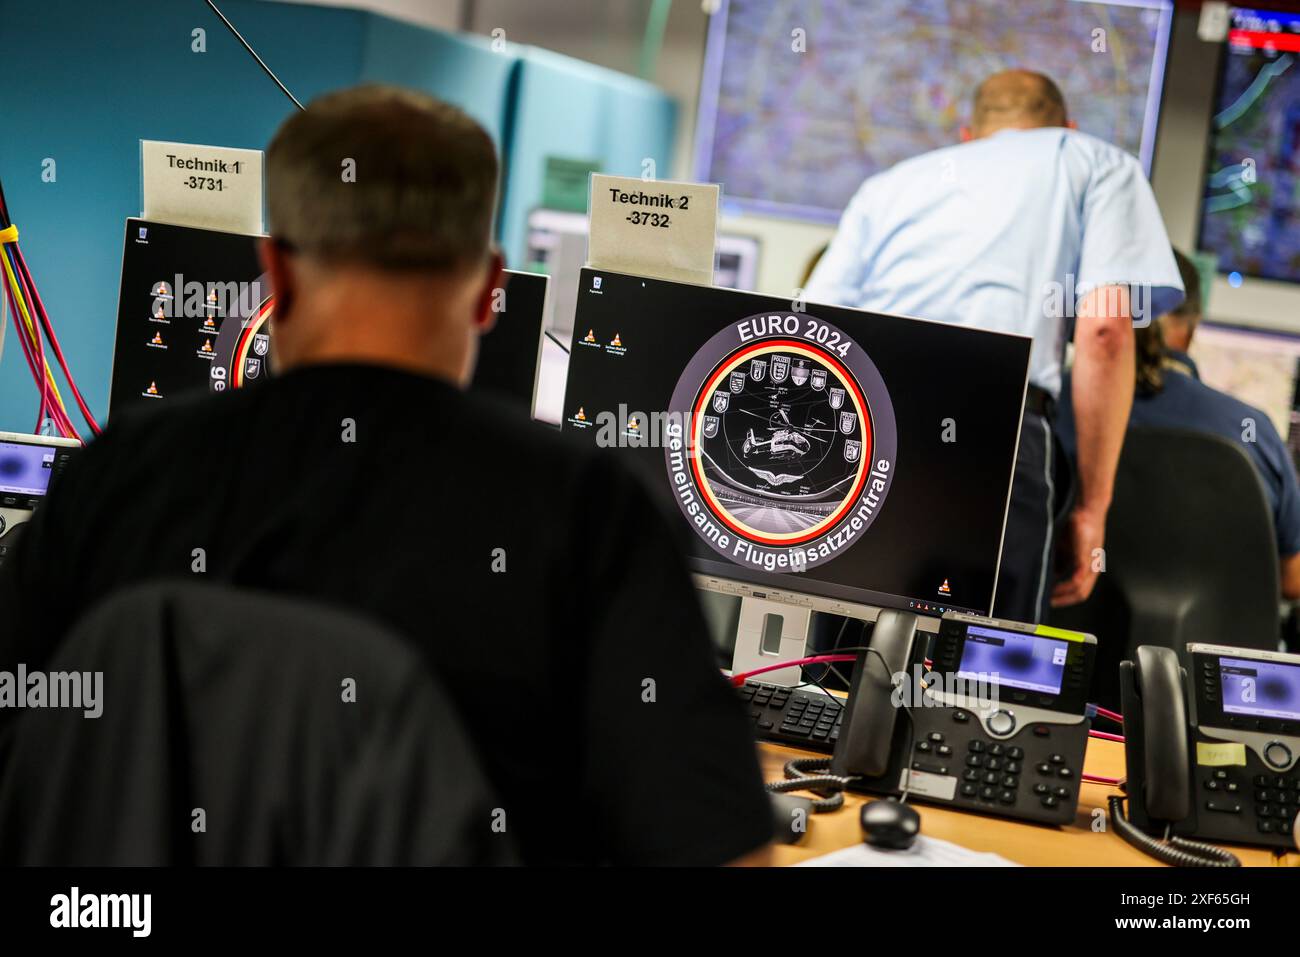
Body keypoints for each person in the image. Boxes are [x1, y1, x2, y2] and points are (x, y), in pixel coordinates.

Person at [0, 86, 774, 866]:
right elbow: (718, 844)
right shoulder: (587, 514)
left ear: (277, 272)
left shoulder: (121, 473)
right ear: (489, 290)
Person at [806, 69, 1184, 623]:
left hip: (865, 425)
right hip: (996, 427)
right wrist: (1091, 510)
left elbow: (814, 327)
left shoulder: (889, 185)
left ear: (968, 135)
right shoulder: (1096, 162)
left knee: (844, 658)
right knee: (978, 680)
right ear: (1068, 126)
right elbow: (1104, 331)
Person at [1057, 249, 1300, 599]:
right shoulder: (1254, 431)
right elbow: (1290, 580)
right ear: (1192, 326)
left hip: (1070, 643)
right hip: (1202, 652)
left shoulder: (1051, 409)